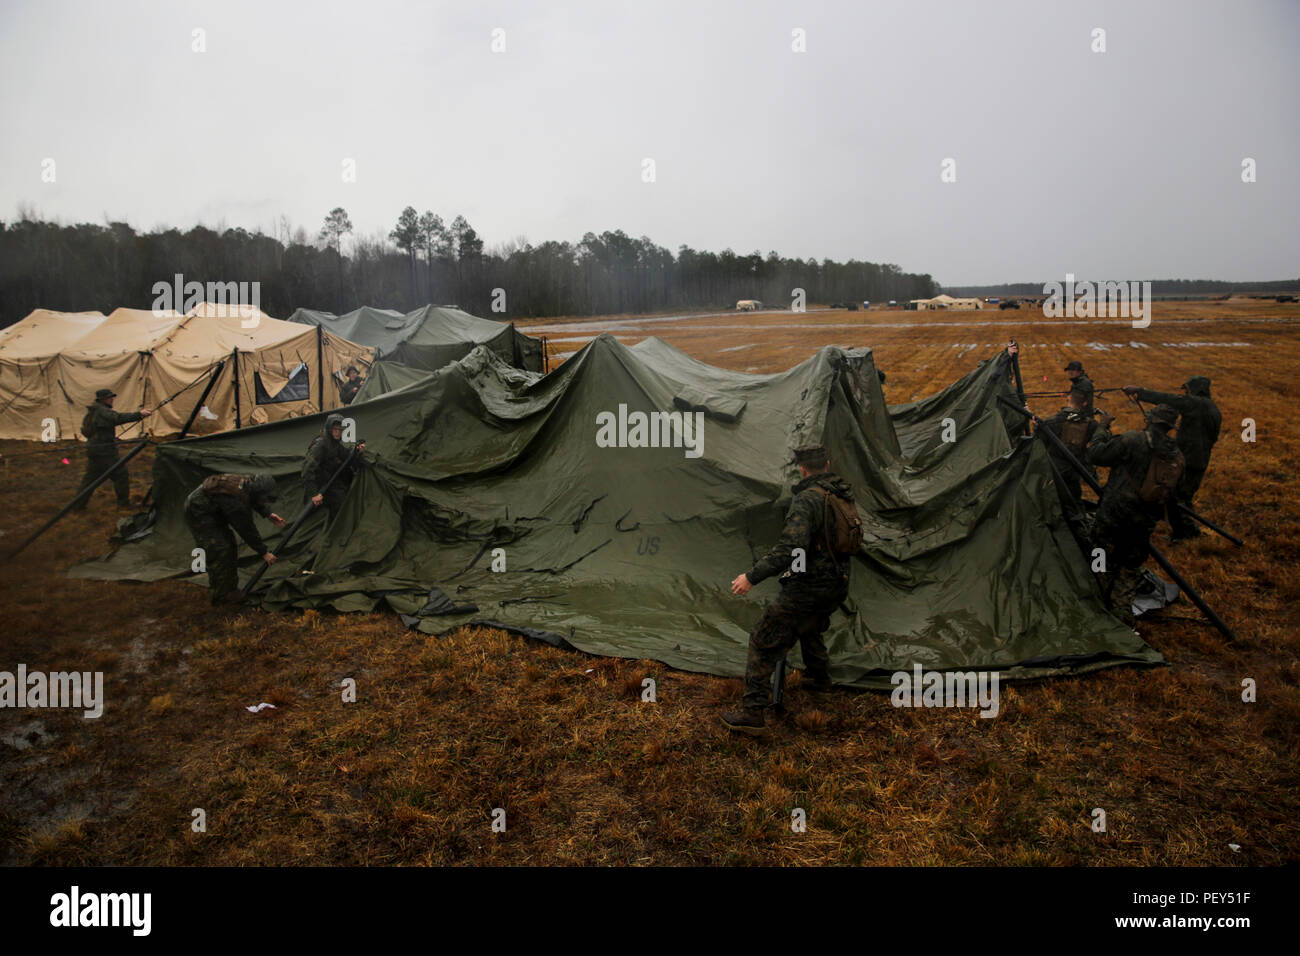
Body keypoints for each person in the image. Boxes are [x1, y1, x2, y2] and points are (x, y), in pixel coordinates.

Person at [722, 445, 857, 736]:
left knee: (762, 638)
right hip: (838, 583)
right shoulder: (841, 495)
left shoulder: (807, 500)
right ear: (828, 464)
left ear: (803, 469)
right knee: (809, 627)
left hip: (808, 586)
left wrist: (751, 576)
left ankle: (752, 713)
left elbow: (790, 548)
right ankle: (819, 683)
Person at [1086, 404, 1183, 625]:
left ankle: (1093, 607)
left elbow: (1096, 454)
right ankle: (1122, 617)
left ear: (1150, 420)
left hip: (1113, 518)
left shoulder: (1132, 440)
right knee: (1129, 570)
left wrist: (1102, 428)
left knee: (1100, 562)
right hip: (1143, 524)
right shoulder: (1176, 455)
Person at [1123, 376, 1221, 543]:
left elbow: (1170, 399)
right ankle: (1183, 531)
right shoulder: (1212, 409)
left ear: (1196, 390)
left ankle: (1187, 532)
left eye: (1188, 390)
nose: (1185, 393)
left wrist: (1140, 392)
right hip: (1199, 458)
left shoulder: (1196, 404)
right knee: (1178, 496)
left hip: (1190, 460)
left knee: (1178, 497)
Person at [184, 473, 286, 606]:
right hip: (198, 510)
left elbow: (252, 499)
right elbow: (245, 528)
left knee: (229, 545)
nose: (264, 501)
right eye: (263, 498)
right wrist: (264, 552)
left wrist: (268, 513)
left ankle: (230, 590)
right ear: (257, 491)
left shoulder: (249, 485)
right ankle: (221, 598)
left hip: (214, 509)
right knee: (220, 549)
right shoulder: (235, 500)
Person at [74, 388, 152, 510]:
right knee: (120, 474)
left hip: (95, 449)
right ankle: (124, 504)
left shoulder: (96, 410)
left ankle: (78, 506)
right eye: (110, 397)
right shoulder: (102, 411)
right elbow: (117, 418)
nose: (112, 399)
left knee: (90, 479)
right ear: (103, 399)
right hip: (104, 451)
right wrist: (139, 414)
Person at [1033, 388, 1100, 518]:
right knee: (1074, 502)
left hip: (1055, 470)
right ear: (1085, 403)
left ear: (1068, 399)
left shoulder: (1052, 421)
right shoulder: (1092, 425)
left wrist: (1036, 427)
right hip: (1076, 470)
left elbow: (1039, 443)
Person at [302, 413, 365, 524]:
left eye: (340, 430)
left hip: (331, 482)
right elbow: (307, 470)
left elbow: (346, 456)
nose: (338, 432)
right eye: (335, 429)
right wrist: (314, 494)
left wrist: (357, 451)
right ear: (329, 429)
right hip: (321, 485)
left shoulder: (334, 443)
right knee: (341, 503)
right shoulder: (320, 445)